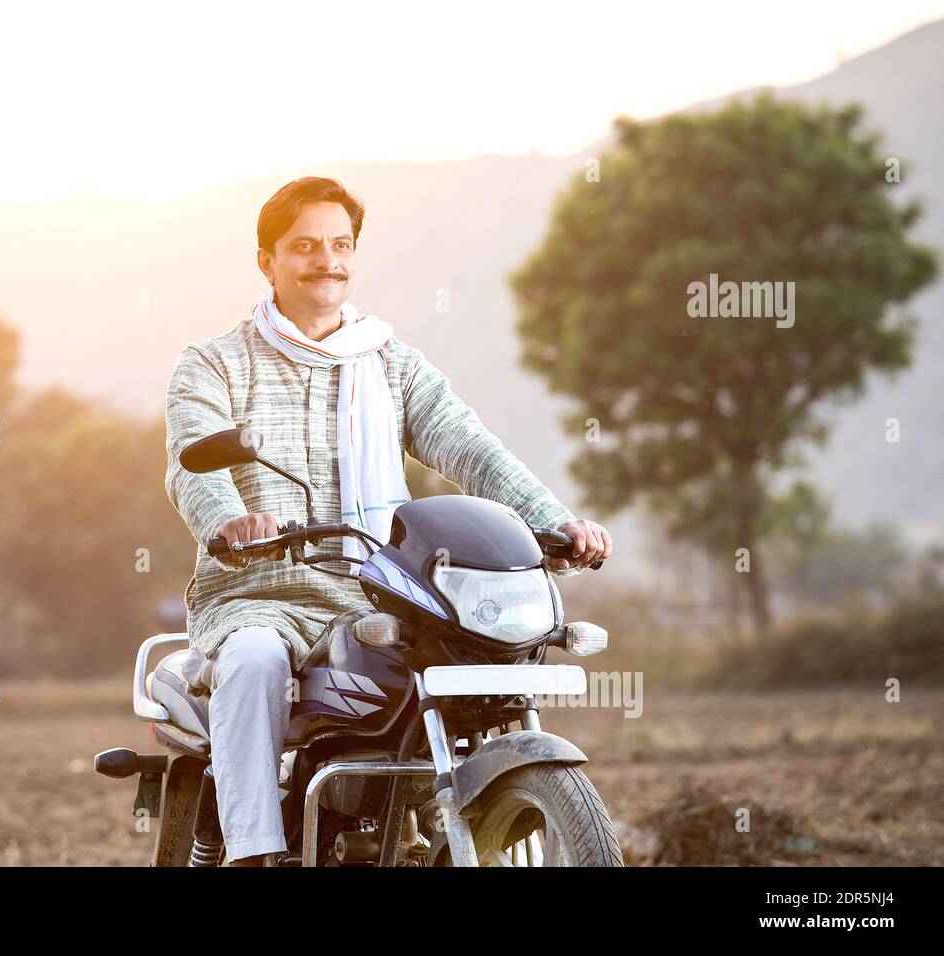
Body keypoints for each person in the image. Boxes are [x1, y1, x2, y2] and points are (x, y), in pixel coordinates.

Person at [164, 176, 612, 865]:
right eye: (306, 246)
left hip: (383, 587)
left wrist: (553, 519)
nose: (327, 260)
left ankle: (435, 820)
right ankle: (255, 851)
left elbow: (468, 446)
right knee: (254, 660)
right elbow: (194, 463)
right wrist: (231, 522)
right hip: (261, 592)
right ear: (268, 260)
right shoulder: (214, 363)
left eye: (341, 245)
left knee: (468, 664)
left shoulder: (390, 362)